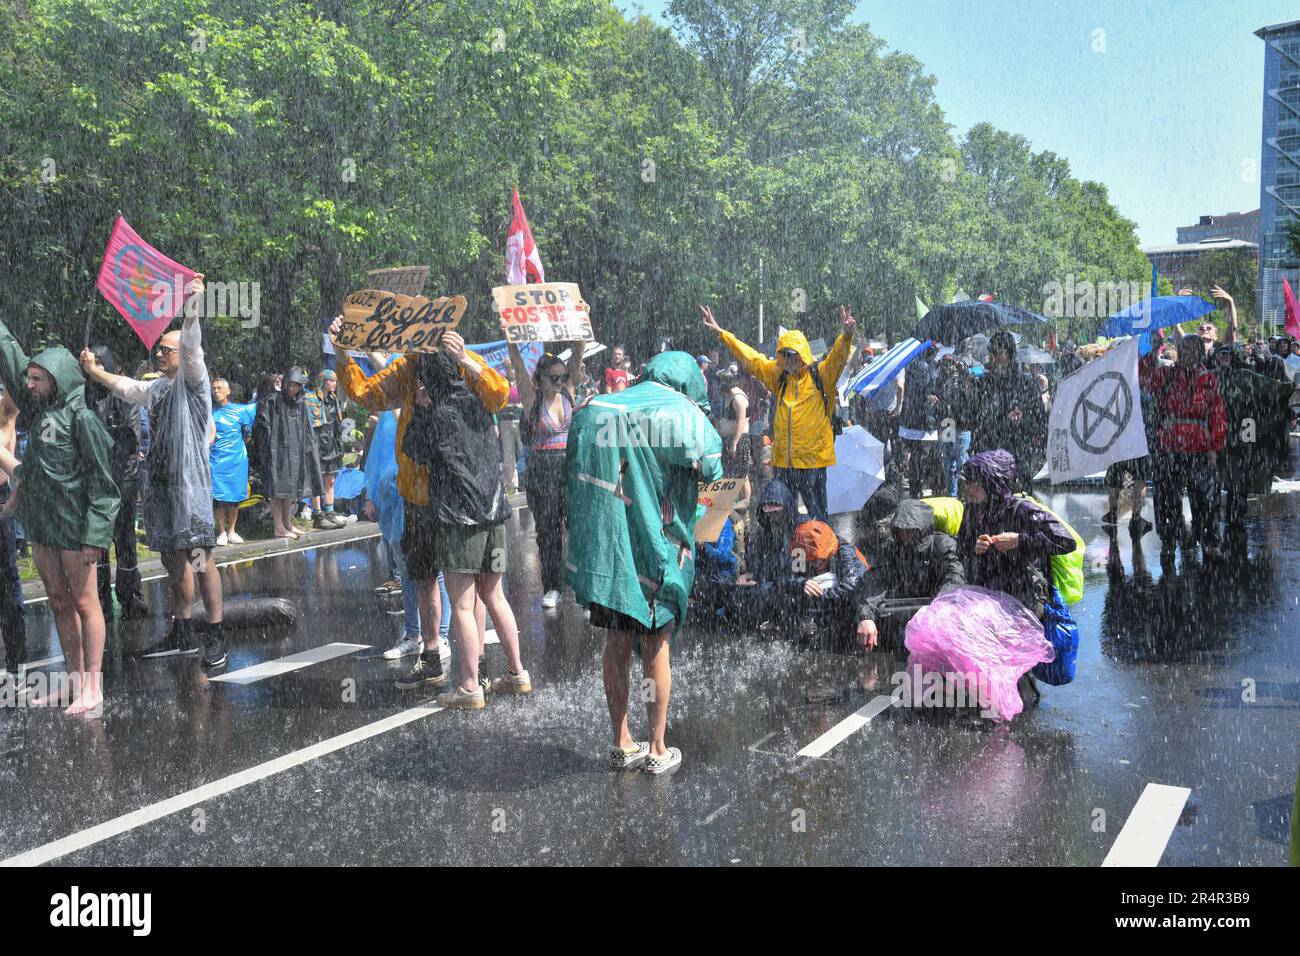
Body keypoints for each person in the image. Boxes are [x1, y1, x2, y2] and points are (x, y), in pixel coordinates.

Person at [566, 351, 723, 774]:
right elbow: (712, 466)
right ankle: (657, 746)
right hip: (657, 551)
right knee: (656, 646)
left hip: (612, 554)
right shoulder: (683, 414)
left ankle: (621, 742)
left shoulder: (602, 406)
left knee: (616, 642)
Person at [81, 285, 230, 668]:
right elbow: (129, 388)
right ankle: (182, 634)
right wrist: (97, 374)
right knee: (172, 562)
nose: (159, 353)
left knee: (200, 560)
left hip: (191, 489)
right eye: (159, 348)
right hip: (162, 489)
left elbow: (193, 345)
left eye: (166, 349)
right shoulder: (160, 388)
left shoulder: (194, 383)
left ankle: (216, 634)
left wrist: (192, 306)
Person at [400, 332, 529, 709]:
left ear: (429, 382)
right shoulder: (479, 403)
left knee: (461, 605)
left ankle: (470, 686)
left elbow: (413, 450)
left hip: (459, 520)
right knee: (496, 596)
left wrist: (421, 408)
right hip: (494, 514)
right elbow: (499, 387)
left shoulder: (437, 415)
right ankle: (517, 672)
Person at [1, 323, 119, 715]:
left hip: (75, 526)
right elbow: (12, 356)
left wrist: (95, 535)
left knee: (86, 603)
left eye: (38, 379)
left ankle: (93, 685)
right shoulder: (38, 411)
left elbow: (105, 485)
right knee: (57, 600)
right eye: (29, 378)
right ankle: (71, 679)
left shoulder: (82, 419)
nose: (29, 385)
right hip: (44, 524)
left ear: (58, 380)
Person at [701, 303, 855, 521]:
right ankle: (788, 553)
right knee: (783, 520)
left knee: (819, 520)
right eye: (784, 355)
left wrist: (847, 335)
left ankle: (821, 554)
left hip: (812, 464)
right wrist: (722, 334)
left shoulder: (821, 375)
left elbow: (838, 358)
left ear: (802, 354)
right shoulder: (778, 376)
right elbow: (752, 359)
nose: (788, 359)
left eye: (792, 355)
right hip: (783, 465)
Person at [361, 353, 451, 662]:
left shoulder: (415, 407)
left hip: (419, 498)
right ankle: (414, 634)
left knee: (431, 574)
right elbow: (376, 454)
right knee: (407, 570)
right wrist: (370, 493)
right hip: (392, 495)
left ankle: (441, 635)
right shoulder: (388, 411)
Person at [506, 339, 583, 610]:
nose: (561, 382)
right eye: (554, 378)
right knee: (548, 531)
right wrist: (510, 341)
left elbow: (577, 357)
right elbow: (516, 365)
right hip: (543, 469)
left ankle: (582, 587)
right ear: (541, 379)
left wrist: (580, 337)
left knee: (578, 526)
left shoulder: (568, 393)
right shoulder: (532, 398)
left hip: (569, 466)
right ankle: (553, 586)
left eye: (563, 377)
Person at [955, 450, 1075, 621]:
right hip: (985, 595)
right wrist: (973, 547)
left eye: (971, 483)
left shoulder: (1021, 509)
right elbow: (960, 549)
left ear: (990, 482)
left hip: (1024, 598)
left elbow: (1066, 541)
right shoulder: (972, 510)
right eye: (965, 484)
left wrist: (1019, 540)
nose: (967, 490)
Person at [1140, 331, 1227, 562]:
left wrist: (1214, 447)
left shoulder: (1208, 378)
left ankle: (1209, 543)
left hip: (1199, 448)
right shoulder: (1167, 374)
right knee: (1167, 500)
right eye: (1184, 349)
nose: (1187, 354)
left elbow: (1217, 414)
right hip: (1169, 448)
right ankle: (1168, 542)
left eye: (1191, 350)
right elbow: (1144, 381)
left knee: (1206, 499)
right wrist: (1152, 352)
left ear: (1200, 353)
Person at [83, 345, 148, 619]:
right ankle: (100, 596)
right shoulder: (84, 395)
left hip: (122, 474)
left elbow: (130, 437)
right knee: (97, 539)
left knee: (125, 538)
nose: (94, 367)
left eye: (100, 363)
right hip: (95, 477)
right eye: (91, 362)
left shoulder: (122, 395)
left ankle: (130, 594)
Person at [856, 498, 966, 652]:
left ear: (923, 528)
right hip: (900, 610)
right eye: (901, 530)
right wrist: (866, 616)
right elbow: (876, 581)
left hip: (934, 611)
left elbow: (954, 577)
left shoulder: (941, 545)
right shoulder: (892, 548)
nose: (905, 535)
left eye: (911, 530)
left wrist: (940, 606)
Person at [1212, 344, 1293, 546]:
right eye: (1221, 355)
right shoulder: (1212, 377)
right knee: (1220, 479)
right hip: (1218, 436)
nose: (1224, 358)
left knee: (1239, 481)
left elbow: (1272, 388)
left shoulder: (1246, 376)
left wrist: (1291, 388)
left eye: (1227, 355)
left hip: (1242, 437)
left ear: (1234, 357)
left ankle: (1236, 519)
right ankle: (1219, 522)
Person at [967, 331, 1046, 492]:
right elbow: (971, 419)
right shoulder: (983, 383)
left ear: (1009, 354)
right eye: (991, 353)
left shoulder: (1027, 384)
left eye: (997, 353)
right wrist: (967, 395)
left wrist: (1021, 422)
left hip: (1017, 463)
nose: (993, 358)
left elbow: (1040, 424)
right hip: (987, 462)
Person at [253, 367, 324, 540]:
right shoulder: (272, 401)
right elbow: (262, 426)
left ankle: (288, 524)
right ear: (285, 384)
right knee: (277, 491)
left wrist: (308, 451)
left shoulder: (300, 404)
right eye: (291, 385)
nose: (293, 389)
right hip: (277, 454)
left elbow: (306, 430)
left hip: (296, 453)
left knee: (290, 490)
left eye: (297, 386)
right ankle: (278, 527)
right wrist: (269, 450)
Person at [209, 377, 257, 546]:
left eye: (219, 388)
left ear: (228, 391)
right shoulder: (209, 412)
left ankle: (232, 530)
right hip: (216, 459)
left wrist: (238, 449)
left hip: (236, 460)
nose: (216, 391)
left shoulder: (239, 411)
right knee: (219, 498)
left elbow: (247, 433)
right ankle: (221, 532)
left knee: (235, 497)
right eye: (213, 388)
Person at [0, 389, 26, 684]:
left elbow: (17, 391)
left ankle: (17, 662)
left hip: (1, 503)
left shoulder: (3, 410)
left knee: (7, 583)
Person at [897, 343, 942, 496]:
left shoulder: (915, 363)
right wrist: (928, 397)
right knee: (921, 457)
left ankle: (916, 487)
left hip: (915, 420)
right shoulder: (925, 365)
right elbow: (923, 390)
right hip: (923, 421)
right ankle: (918, 488)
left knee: (919, 457)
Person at [304, 369, 346, 529]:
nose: (334, 384)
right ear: (323, 381)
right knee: (317, 480)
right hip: (316, 443)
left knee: (330, 479)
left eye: (335, 381)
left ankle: (330, 511)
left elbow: (336, 423)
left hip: (331, 443)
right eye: (331, 380)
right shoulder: (309, 398)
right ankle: (318, 514)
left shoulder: (334, 398)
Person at [714, 364, 752, 507]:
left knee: (742, 476)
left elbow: (742, 421)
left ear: (726, 383)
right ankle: (733, 504)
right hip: (731, 440)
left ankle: (745, 506)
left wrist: (735, 442)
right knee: (732, 474)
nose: (718, 386)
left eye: (720, 383)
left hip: (740, 441)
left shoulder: (738, 398)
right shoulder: (729, 394)